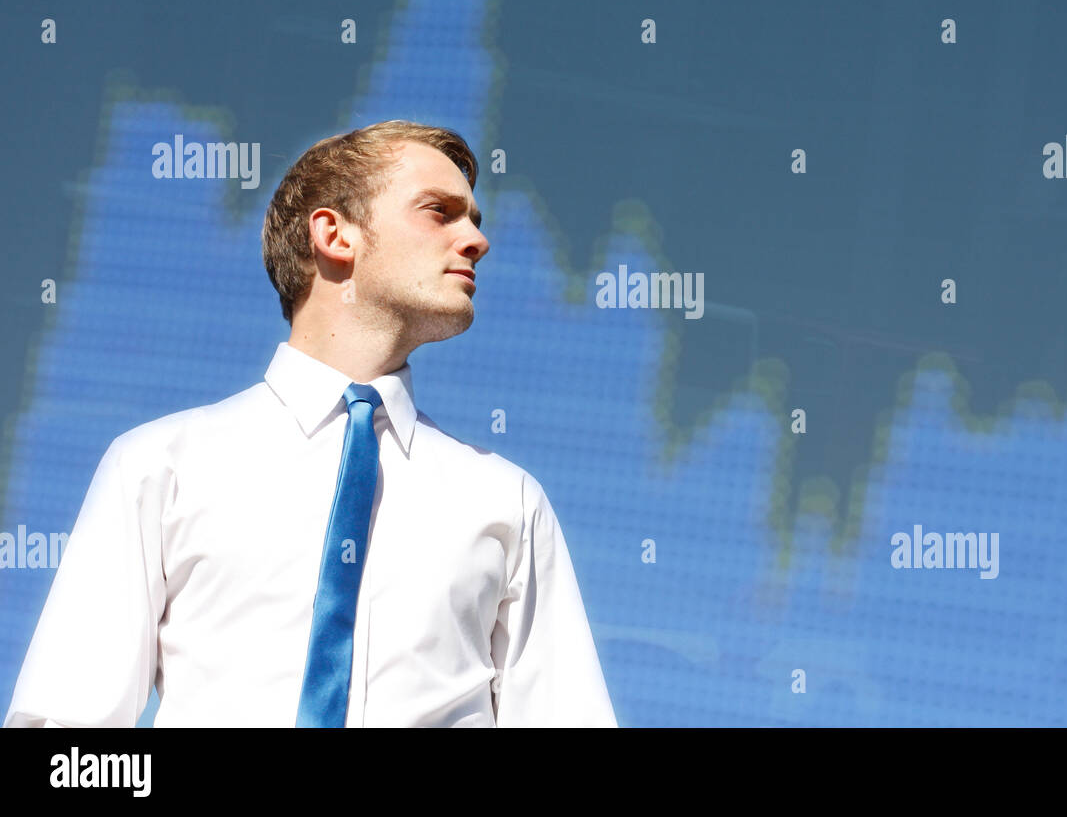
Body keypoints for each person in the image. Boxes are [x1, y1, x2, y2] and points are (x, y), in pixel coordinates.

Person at [4, 120, 617, 727]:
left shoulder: (507, 501)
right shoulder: (161, 465)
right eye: (440, 211)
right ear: (335, 235)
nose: (477, 240)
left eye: (475, 221)